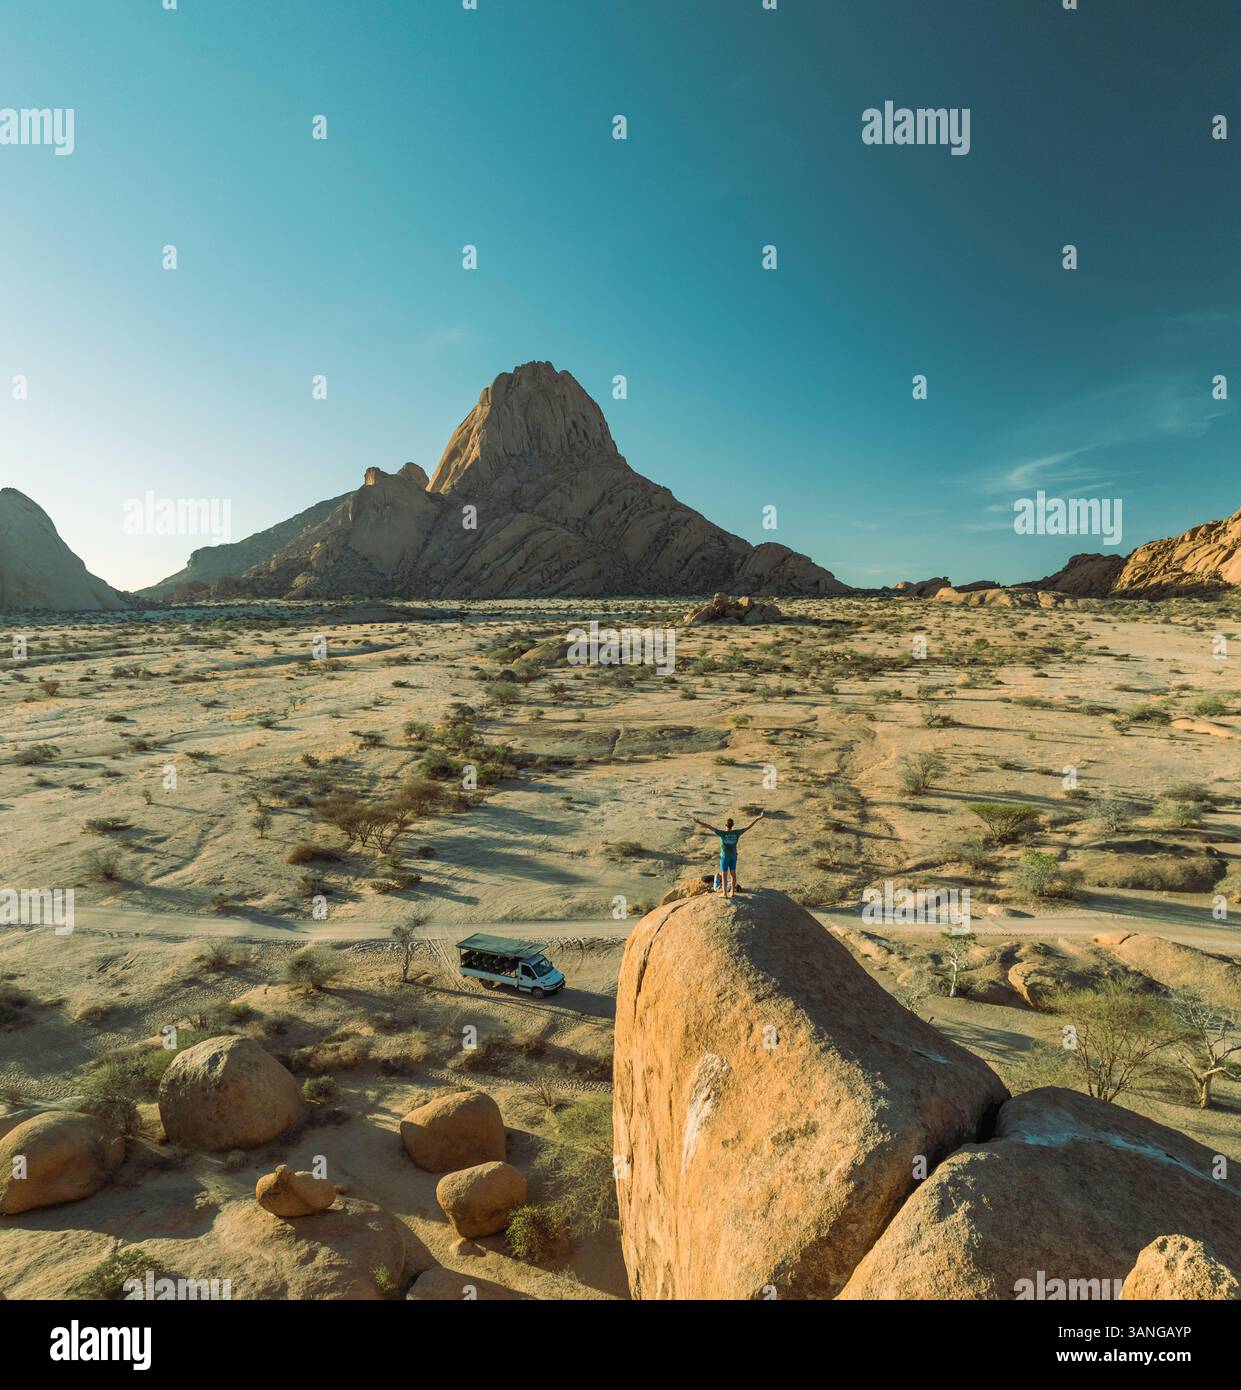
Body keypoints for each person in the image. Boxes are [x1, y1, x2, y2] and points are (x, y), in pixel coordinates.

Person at [692, 811, 763, 898]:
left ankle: (725, 894)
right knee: (733, 874)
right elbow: (748, 827)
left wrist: (698, 822)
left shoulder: (722, 833)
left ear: (726, 825)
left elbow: (709, 827)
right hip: (733, 856)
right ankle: (732, 892)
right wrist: (757, 819)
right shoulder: (736, 833)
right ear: (732, 825)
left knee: (724, 875)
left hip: (724, 857)